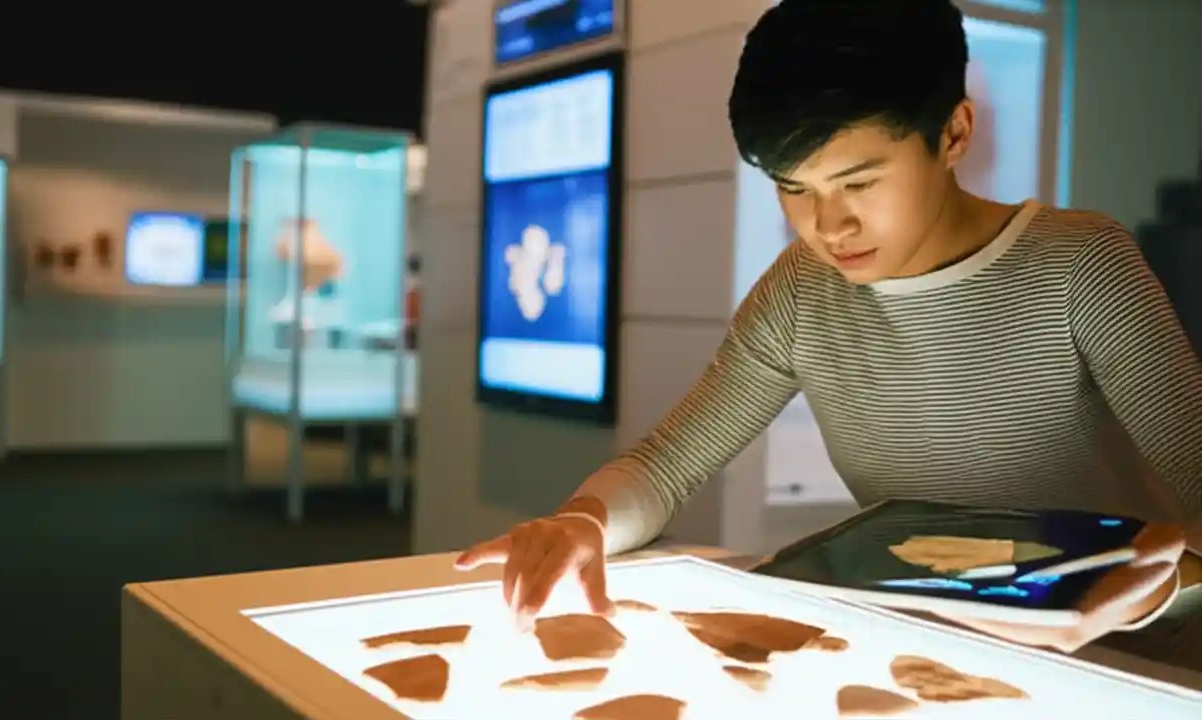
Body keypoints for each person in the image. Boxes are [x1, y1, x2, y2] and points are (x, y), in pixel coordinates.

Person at [456, 0, 1202, 653]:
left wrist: (1149, 593)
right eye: (795, 188)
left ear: (954, 132)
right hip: (945, 654)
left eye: (859, 182)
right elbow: (666, 465)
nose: (828, 225)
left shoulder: (1078, 265)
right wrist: (584, 522)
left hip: (1144, 661)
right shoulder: (802, 292)